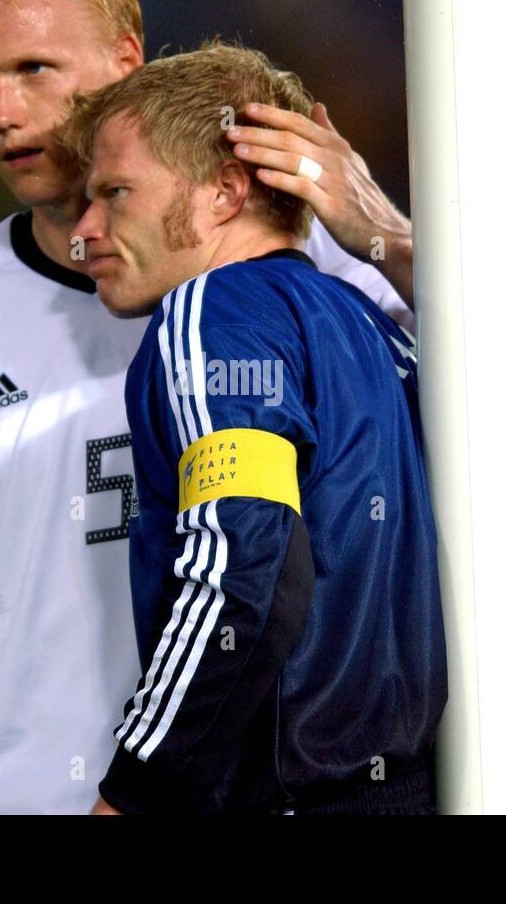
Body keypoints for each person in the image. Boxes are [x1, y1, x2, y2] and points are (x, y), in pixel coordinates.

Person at [0, 0, 506, 814]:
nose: (6, 112)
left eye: (34, 68)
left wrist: (384, 232)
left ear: (126, 62)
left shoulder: (304, 275)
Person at [63, 42, 446, 814]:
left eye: (114, 193)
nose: (85, 230)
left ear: (224, 193)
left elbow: (243, 563)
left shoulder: (217, 316)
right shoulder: (387, 335)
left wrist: (135, 791)